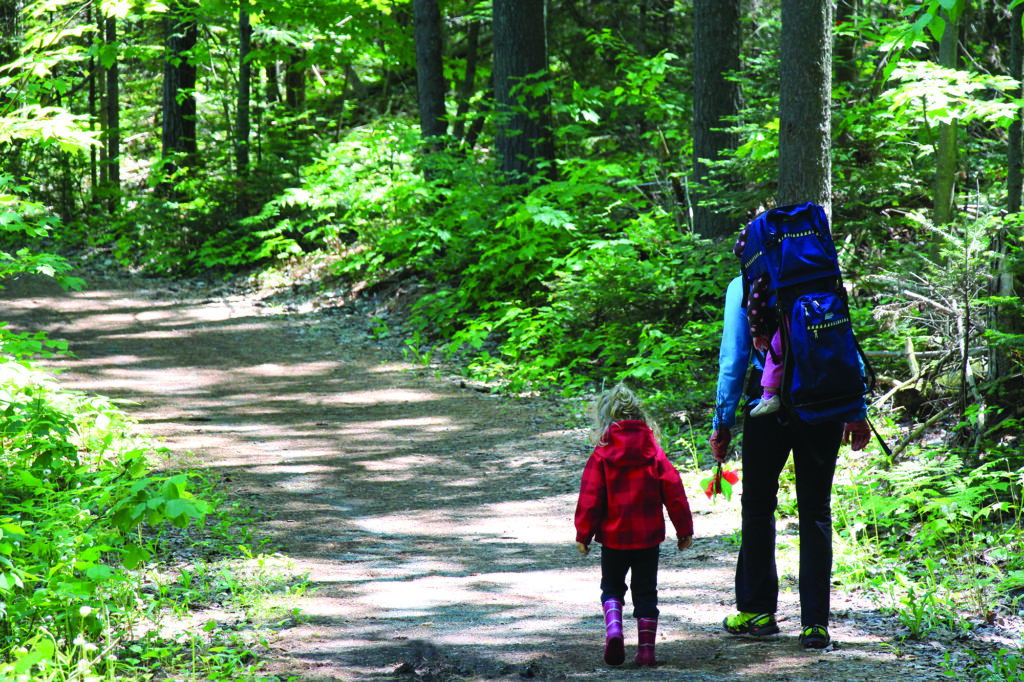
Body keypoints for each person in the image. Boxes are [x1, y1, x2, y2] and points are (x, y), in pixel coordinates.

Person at [710, 275, 871, 650]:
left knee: (758, 505)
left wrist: (723, 421)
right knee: (816, 509)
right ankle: (815, 624)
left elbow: (734, 358)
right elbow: (843, 344)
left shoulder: (743, 283)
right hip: (824, 401)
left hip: (768, 403)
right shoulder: (823, 276)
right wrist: (855, 408)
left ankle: (757, 612)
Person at [574, 383, 694, 667]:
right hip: (647, 539)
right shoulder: (654, 452)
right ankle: (647, 651)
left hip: (614, 539)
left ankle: (614, 630)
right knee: (645, 592)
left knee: (612, 588)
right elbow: (674, 491)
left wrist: (583, 534)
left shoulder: (602, 455)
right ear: (640, 416)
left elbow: (590, 497)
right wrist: (684, 529)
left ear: (606, 418)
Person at [732, 225, 784, 418]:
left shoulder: (761, 274)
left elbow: (754, 303)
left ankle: (769, 395)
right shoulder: (803, 268)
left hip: (786, 324)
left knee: (774, 352)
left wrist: (756, 331)